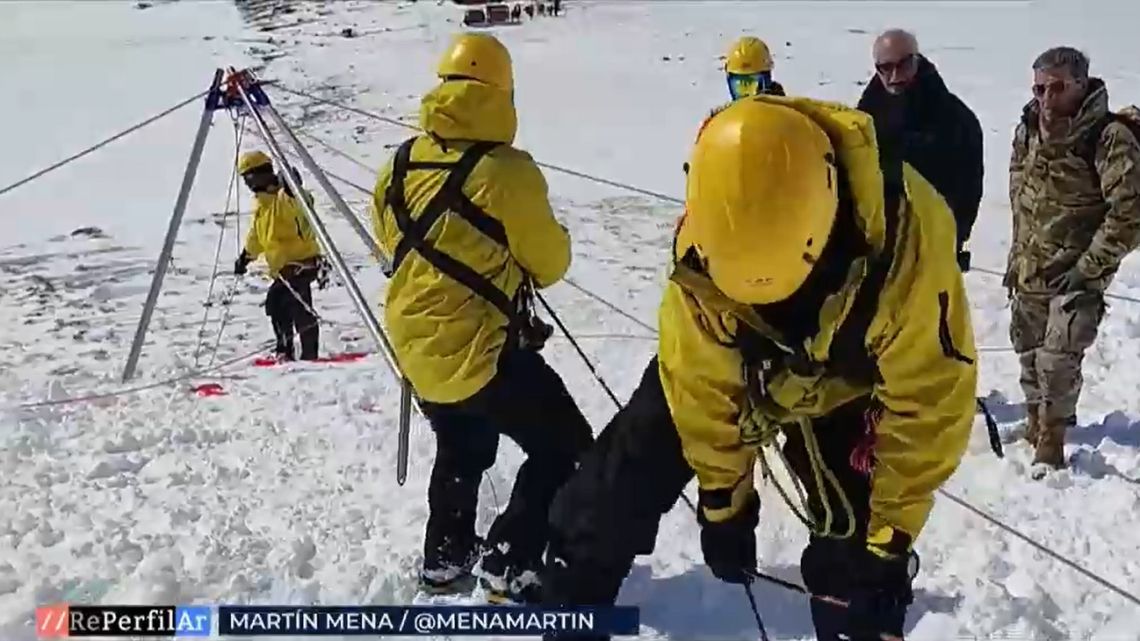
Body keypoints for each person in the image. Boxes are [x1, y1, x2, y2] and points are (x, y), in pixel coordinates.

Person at [541, 96, 978, 641]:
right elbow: (702, 391)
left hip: (847, 385)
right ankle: (572, 604)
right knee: (617, 483)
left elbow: (928, 403)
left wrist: (889, 543)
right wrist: (725, 506)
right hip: (737, 367)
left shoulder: (908, 238)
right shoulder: (702, 245)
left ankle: (856, 622)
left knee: (859, 559)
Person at [369, 32, 594, 603]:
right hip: (481, 350)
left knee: (463, 444)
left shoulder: (398, 164)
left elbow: (389, 243)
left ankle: (446, 555)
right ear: (502, 92)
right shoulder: (506, 171)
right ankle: (510, 559)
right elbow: (549, 263)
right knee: (565, 445)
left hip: (415, 347)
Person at [1006, 46, 1140, 477]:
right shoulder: (1029, 127)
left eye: (1057, 88)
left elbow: (1130, 214)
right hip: (1032, 263)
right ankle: (1034, 420)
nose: (1046, 98)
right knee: (1027, 348)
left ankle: (1052, 437)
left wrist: (1089, 267)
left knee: (1058, 359)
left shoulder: (1107, 136)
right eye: (1039, 89)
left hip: (1078, 270)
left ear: (1080, 85)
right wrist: (1016, 255)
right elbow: (1020, 191)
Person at [857, 29, 983, 272]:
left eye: (903, 65)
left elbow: (968, 192)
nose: (895, 76)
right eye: (886, 68)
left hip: (931, 251)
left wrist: (950, 244)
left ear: (917, 60)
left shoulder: (955, 120)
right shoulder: (865, 118)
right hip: (877, 250)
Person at [234, 150, 327, 362]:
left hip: (302, 262)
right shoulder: (262, 205)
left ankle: (306, 353)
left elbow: (302, 204)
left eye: (249, 177)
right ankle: (285, 350)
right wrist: (245, 257)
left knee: (290, 304)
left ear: (263, 173)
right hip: (284, 268)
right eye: (245, 179)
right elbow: (257, 236)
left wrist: (294, 188)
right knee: (279, 305)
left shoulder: (283, 197)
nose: (248, 183)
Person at [724, 36, 785, 101]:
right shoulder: (729, 108)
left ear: (767, 81)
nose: (746, 95)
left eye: (753, 84)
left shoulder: (783, 106)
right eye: (740, 86)